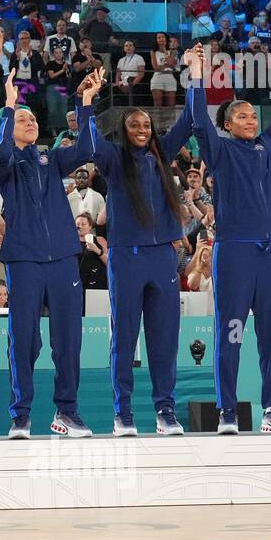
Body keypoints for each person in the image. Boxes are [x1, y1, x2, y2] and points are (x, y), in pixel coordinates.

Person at [188, 26, 271, 436]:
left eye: (254, 115)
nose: (251, 119)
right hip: (234, 252)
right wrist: (196, 75)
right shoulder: (219, 150)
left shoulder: (269, 146)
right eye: (242, 115)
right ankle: (227, 413)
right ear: (228, 123)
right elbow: (199, 120)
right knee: (231, 334)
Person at [0, 66, 102, 439]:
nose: (30, 122)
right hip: (23, 259)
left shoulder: (51, 160)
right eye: (23, 119)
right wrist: (8, 107)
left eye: (33, 118)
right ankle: (20, 415)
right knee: (24, 339)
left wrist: (85, 102)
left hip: (64, 259)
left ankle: (66, 412)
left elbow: (86, 149)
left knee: (68, 339)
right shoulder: (6, 165)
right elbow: (0, 157)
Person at [90, 77, 194, 436]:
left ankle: (166, 411)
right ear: (123, 129)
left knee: (164, 339)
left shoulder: (162, 155)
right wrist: (86, 100)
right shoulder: (114, 160)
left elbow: (189, 119)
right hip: (127, 258)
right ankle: (123, 414)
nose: (140, 128)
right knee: (124, 338)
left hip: (162, 257)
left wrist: (193, 77)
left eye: (146, 124)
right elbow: (91, 139)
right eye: (133, 124)